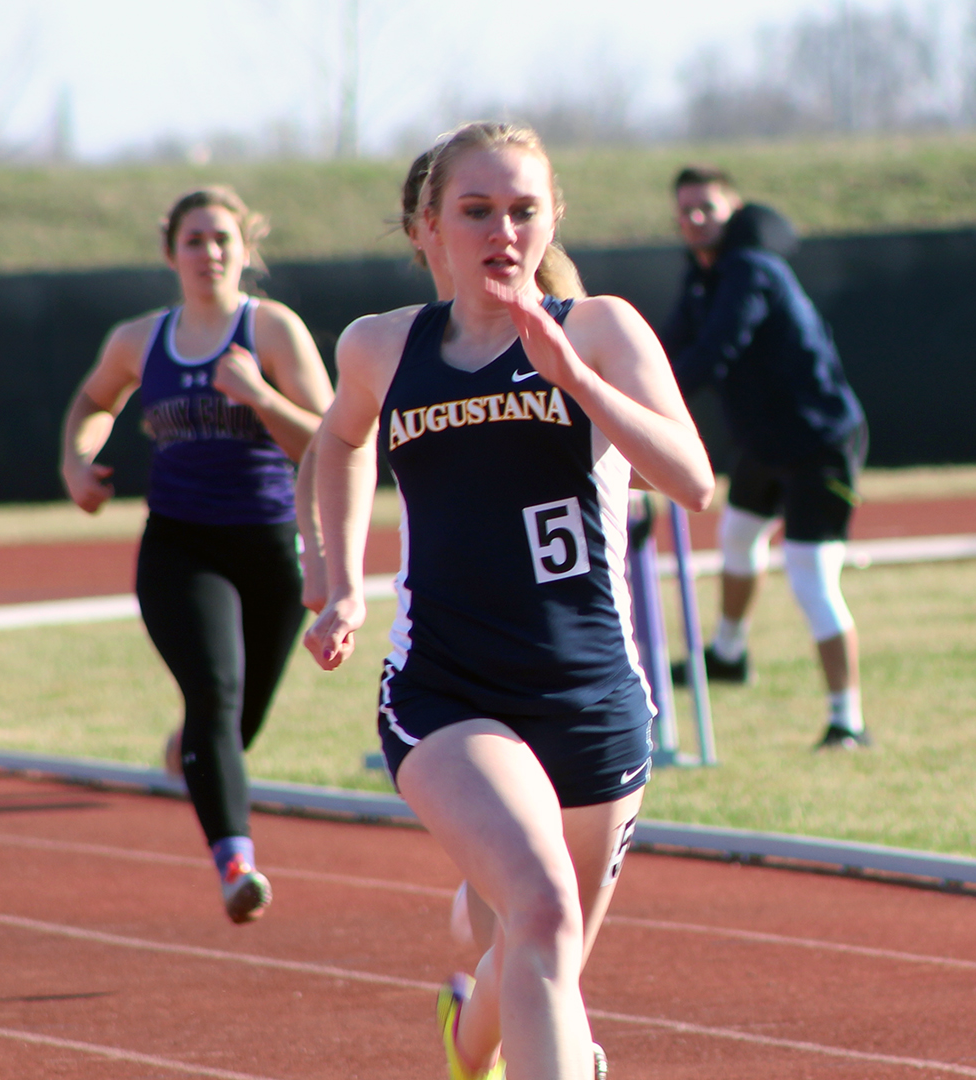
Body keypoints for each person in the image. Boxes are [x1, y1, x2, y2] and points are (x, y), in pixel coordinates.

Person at [303, 121, 713, 1080]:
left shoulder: (599, 327)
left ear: (551, 219)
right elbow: (339, 443)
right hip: (449, 690)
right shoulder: (380, 347)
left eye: (524, 211)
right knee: (541, 912)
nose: (503, 231)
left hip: (592, 697)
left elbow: (692, 479)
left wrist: (575, 380)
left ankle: (466, 1047)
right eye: (476, 211)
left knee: (538, 952)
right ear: (428, 229)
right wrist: (337, 581)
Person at [61, 186, 333, 923]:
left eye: (223, 240)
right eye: (194, 240)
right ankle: (236, 863)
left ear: (247, 250)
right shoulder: (139, 340)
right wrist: (79, 464)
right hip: (180, 546)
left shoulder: (272, 330)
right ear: (170, 252)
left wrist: (262, 399)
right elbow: (94, 402)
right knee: (215, 692)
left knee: (234, 723)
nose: (209, 253)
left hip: (271, 547)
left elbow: (332, 443)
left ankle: (190, 752)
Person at [661, 165, 872, 750]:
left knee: (810, 576)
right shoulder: (699, 277)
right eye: (686, 210)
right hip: (765, 444)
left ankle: (847, 722)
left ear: (734, 211)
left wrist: (637, 403)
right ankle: (728, 654)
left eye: (707, 207)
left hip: (819, 444)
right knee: (736, 537)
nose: (695, 218)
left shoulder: (751, 270)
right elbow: (667, 344)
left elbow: (715, 352)